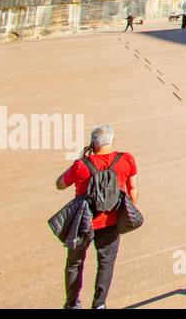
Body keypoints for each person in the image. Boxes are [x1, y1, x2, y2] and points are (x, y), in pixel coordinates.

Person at [56, 124, 139, 309]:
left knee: (75, 263)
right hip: (111, 220)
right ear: (112, 141)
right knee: (106, 263)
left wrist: (80, 159)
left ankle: (73, 303)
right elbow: (133, 190)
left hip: (83, 222)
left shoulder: (81, 166)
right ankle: (99, 304)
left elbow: (59, 184)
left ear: (92, 144)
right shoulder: (126, 159)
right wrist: (129, 211)